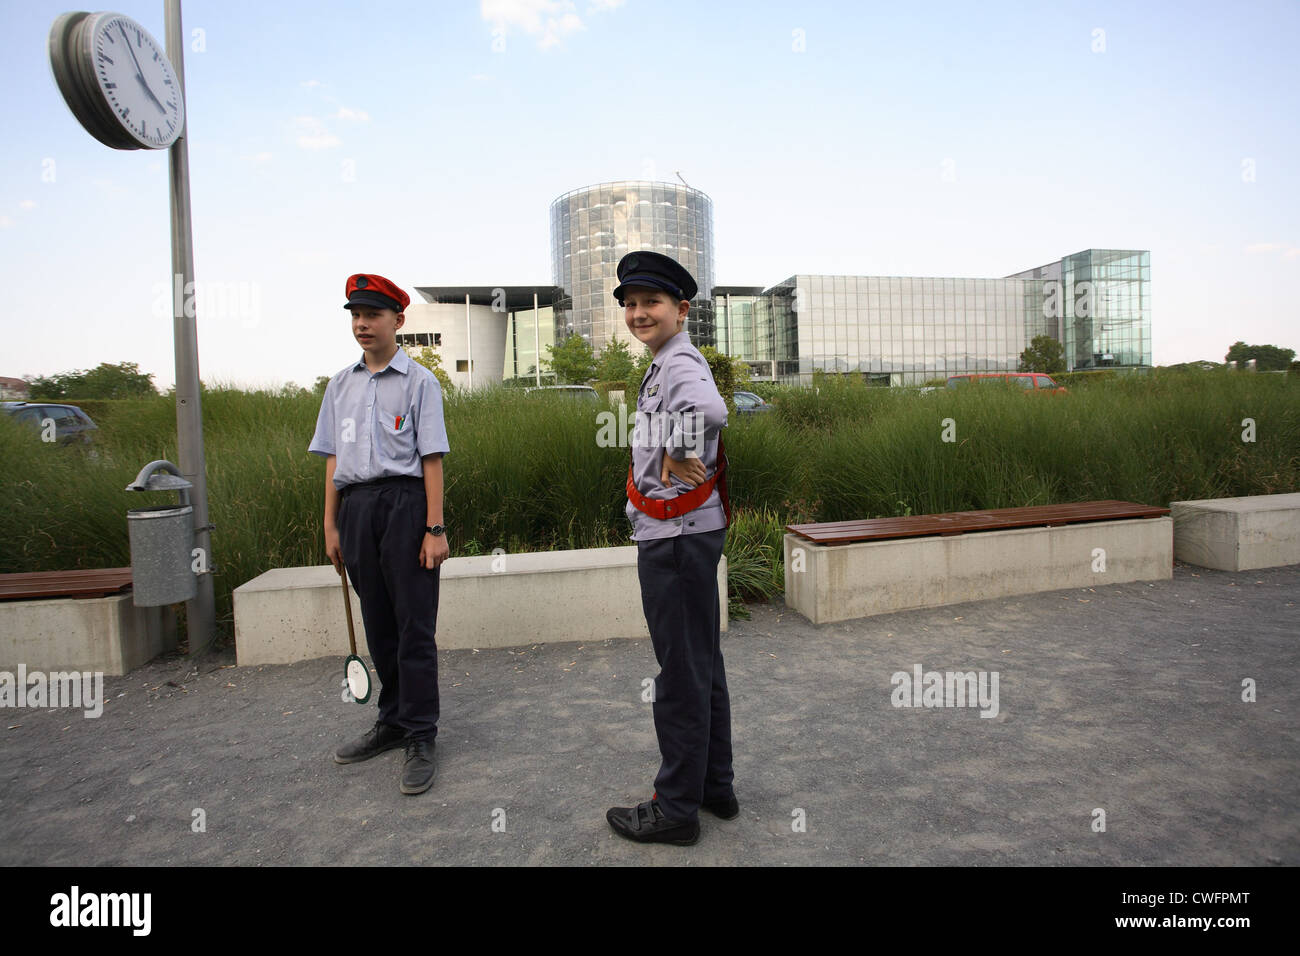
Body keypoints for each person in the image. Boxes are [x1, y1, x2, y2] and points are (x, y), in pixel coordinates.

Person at [606, 251, 736, 846]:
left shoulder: (679, 360)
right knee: (699, 664)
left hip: (676, 539)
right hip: (683, 534)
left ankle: (676, 809)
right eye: (630, 304)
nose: (638, 313)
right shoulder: (666, 363)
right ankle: (714, 786)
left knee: (680, 674)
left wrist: (675, 449)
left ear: (681, 310)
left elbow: (711, 412)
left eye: (650, 303)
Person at [308, 273, 450, 795]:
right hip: (357, 509)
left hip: (406, 506)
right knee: (379, 624)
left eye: (373, 315)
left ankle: (420, 734)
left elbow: (431, 458)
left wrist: (435, 528)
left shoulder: (419, 383)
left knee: (414, 625)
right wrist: (331, 524)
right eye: (355, 315)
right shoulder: (339, 385)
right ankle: (391, 721)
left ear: (399, 321)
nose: (362, 324)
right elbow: (332, 460)